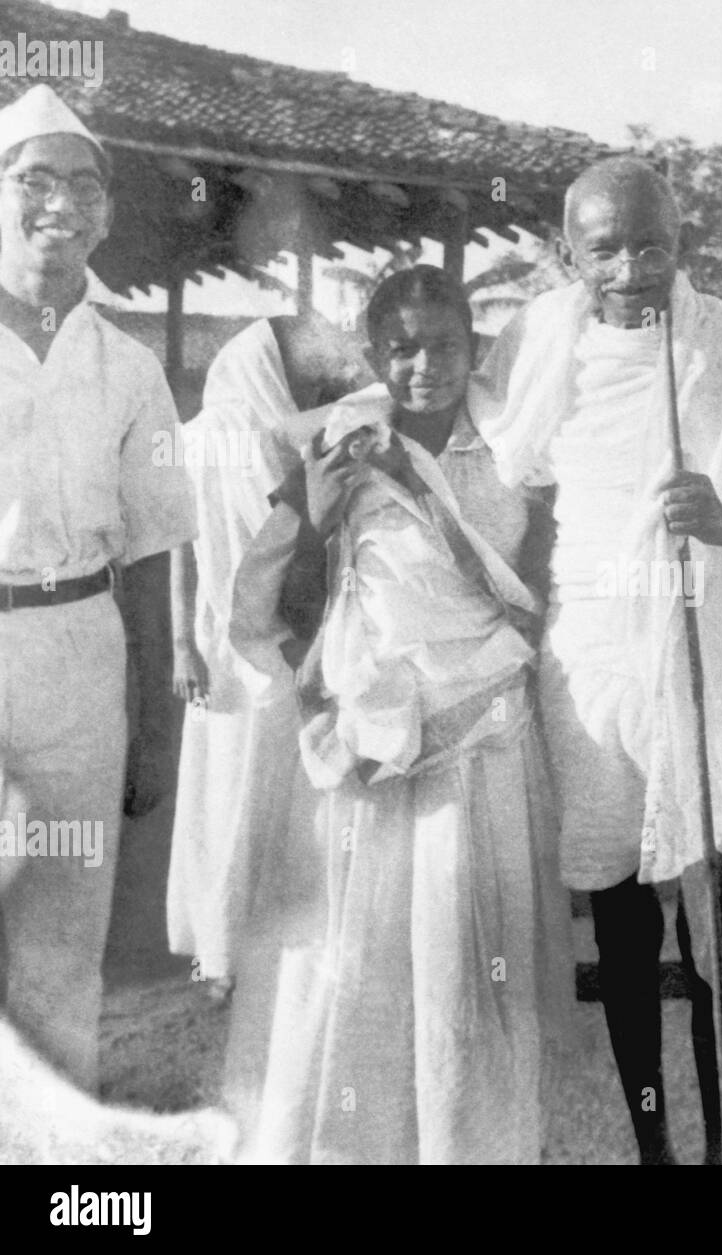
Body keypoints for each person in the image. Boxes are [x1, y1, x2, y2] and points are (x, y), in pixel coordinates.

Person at [475, 157, 722, 1164]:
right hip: (589, 661)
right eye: (606, 248)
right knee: (624, 928)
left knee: (713, 923)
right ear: (569, 253)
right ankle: (653, 1149)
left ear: (681, 246)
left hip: (696, 653)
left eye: (651, 244)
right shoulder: (541, 346)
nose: (631, 268)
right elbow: (505, 499)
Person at [224, 266, 571, 1165]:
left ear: (473, 348)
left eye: (444, 345)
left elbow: (540, 581)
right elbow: (265, 585)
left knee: (466, 958)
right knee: (358, 956)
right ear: (375, 353)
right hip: (372, 736)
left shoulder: (513, 444)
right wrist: (319, 504)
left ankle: (469, 1145)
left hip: (481, 730)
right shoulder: (343, 439)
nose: (425, 366)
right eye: (402, 348)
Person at [0, 85, 195, 1091]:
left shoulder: (128, 367)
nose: (57, 207)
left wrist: (153, 721)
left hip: (80, 651)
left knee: (62, 942)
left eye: (82, 187)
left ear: (107, 214)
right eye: (32, 181)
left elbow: (157, 544)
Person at [166, 314, 368, 1003]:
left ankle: (285, 940)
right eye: (292, 365)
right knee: (226, 795)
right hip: (222, 647)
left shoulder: (290, 438)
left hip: (284, 634)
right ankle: (218, 954)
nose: (303, 379)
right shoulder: (199, 439)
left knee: (291, 791)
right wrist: (181, 645)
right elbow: (180, 549)